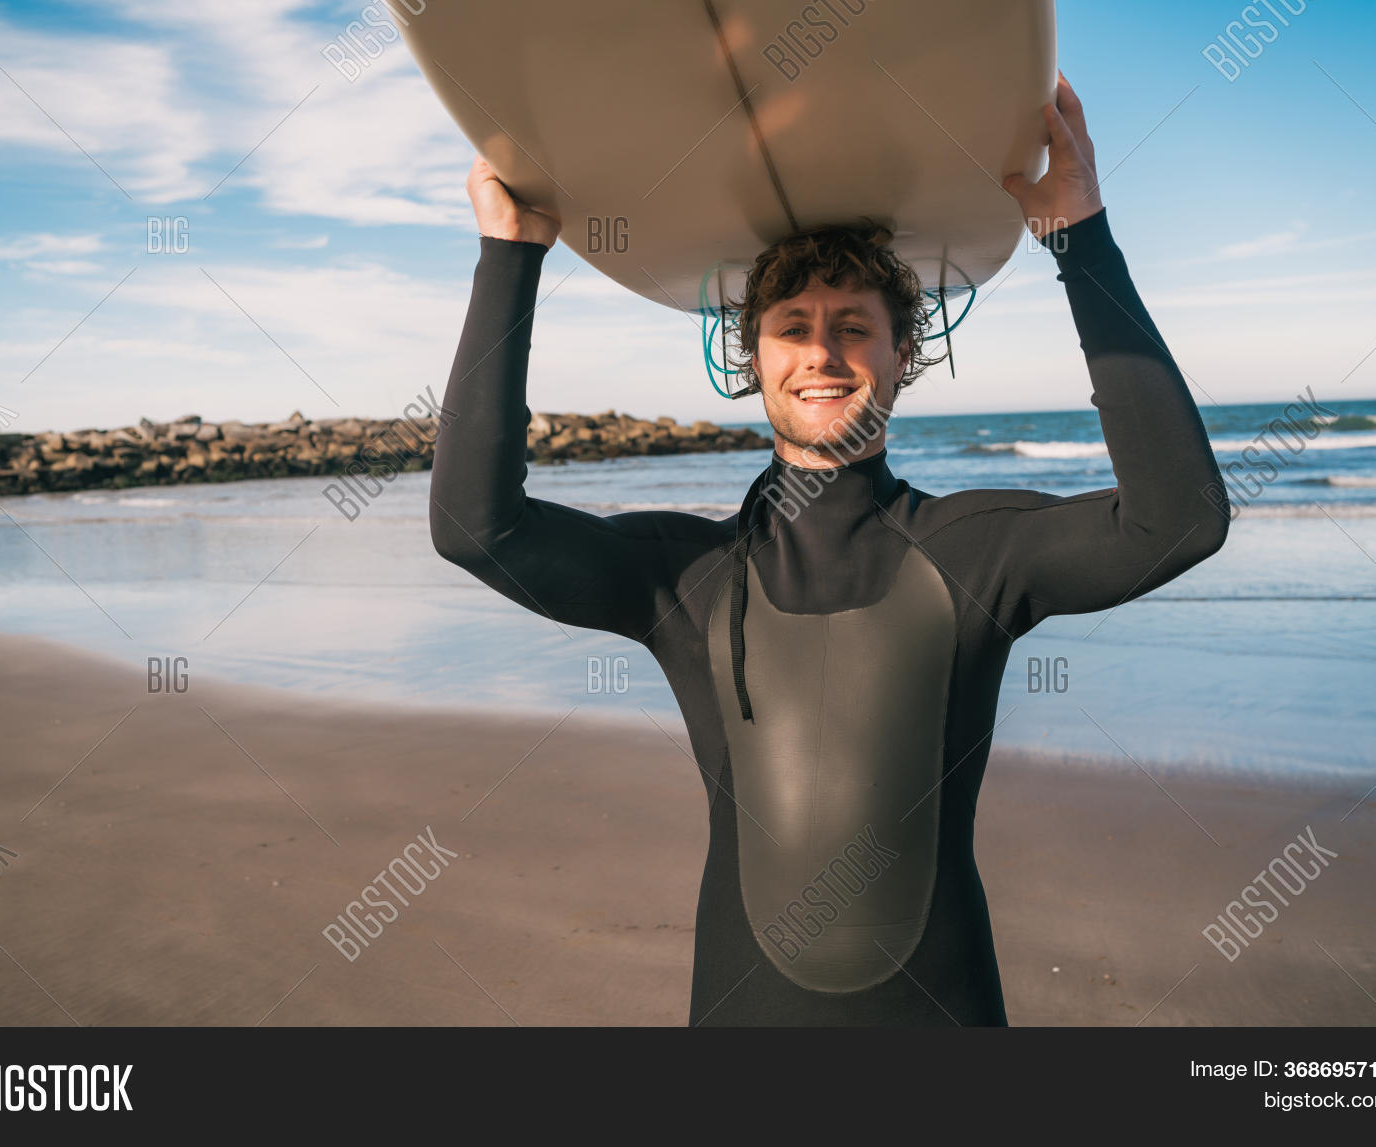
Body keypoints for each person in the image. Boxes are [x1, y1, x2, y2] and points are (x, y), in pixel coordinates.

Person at [430, 74, 1229, 1025]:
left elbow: (1178, 520)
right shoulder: (686, 579)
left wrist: (1081, 239)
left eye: (854, 327)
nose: (822, 354)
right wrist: (511, 257)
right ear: (753, 358)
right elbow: (476, 526)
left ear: (901, 357)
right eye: (792, 329)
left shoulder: (974, 556)